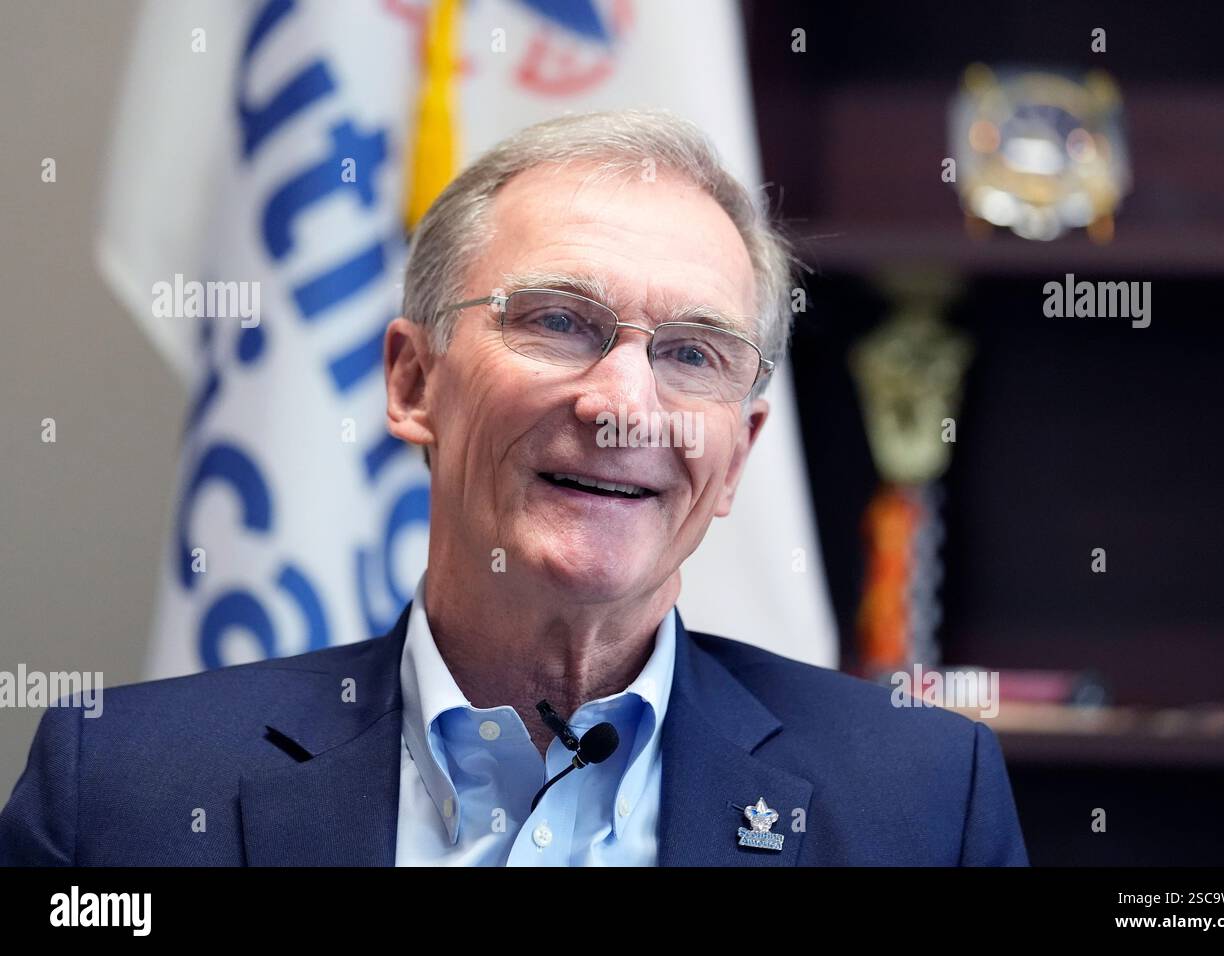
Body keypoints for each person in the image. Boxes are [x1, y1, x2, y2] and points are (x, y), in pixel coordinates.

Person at [0, 109, 1028, 866]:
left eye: (691, 352)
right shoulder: (121, 795)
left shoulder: (923, 806)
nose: (623, 403)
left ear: (739, 450)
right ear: (413, 380)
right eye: (557, 321)